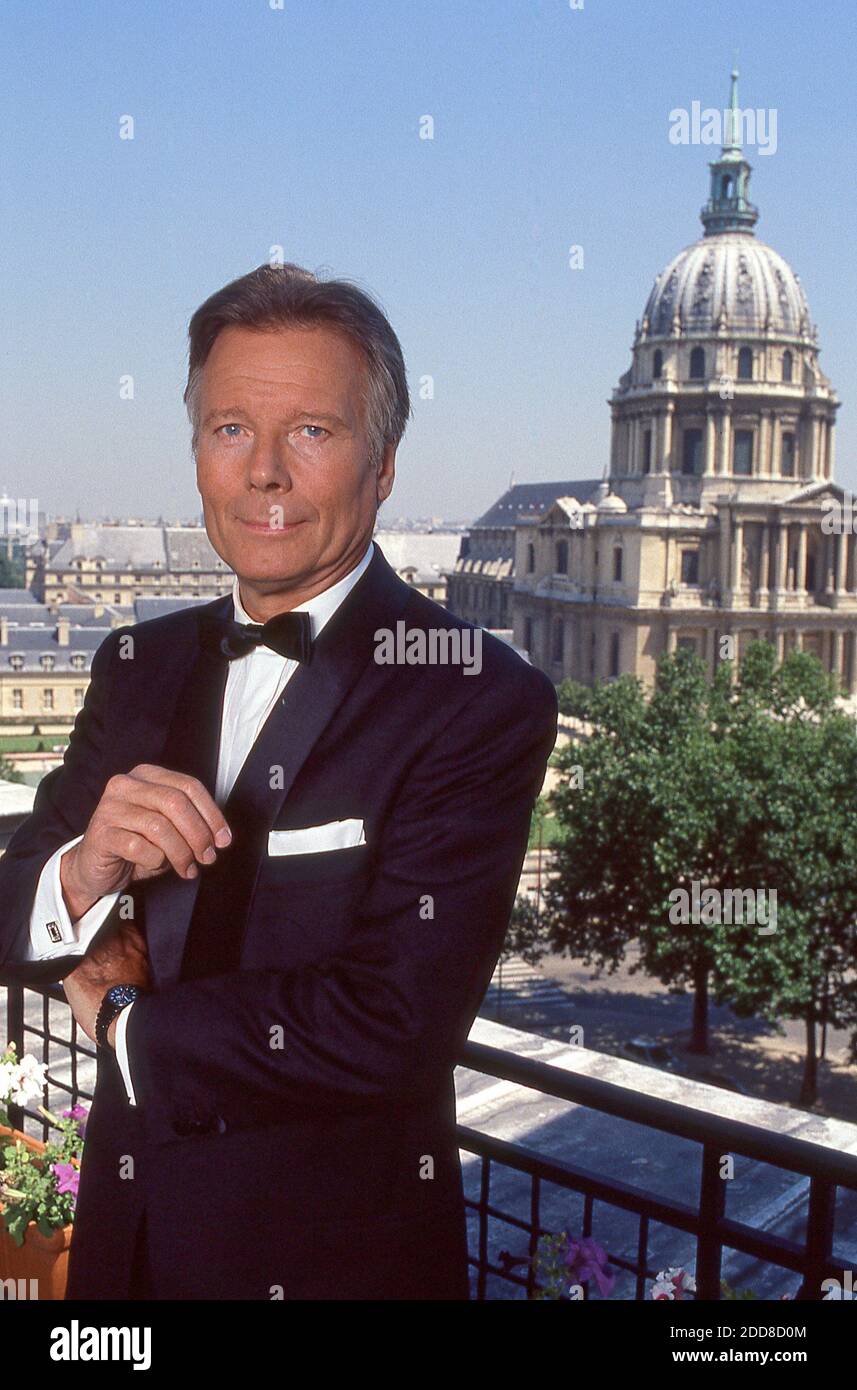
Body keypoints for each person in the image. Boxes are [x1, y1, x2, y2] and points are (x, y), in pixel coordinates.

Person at [0, 263, 557, 1299]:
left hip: (325, 1262)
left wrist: (126, 1016)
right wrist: (80, 875)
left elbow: (393, 1022)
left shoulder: (478, 696)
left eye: (310, 430)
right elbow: (10, 902)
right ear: (197, 454)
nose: (263, 471)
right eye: (228, 430)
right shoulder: (135, 662)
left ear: (382, 464)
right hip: (122, 1254)